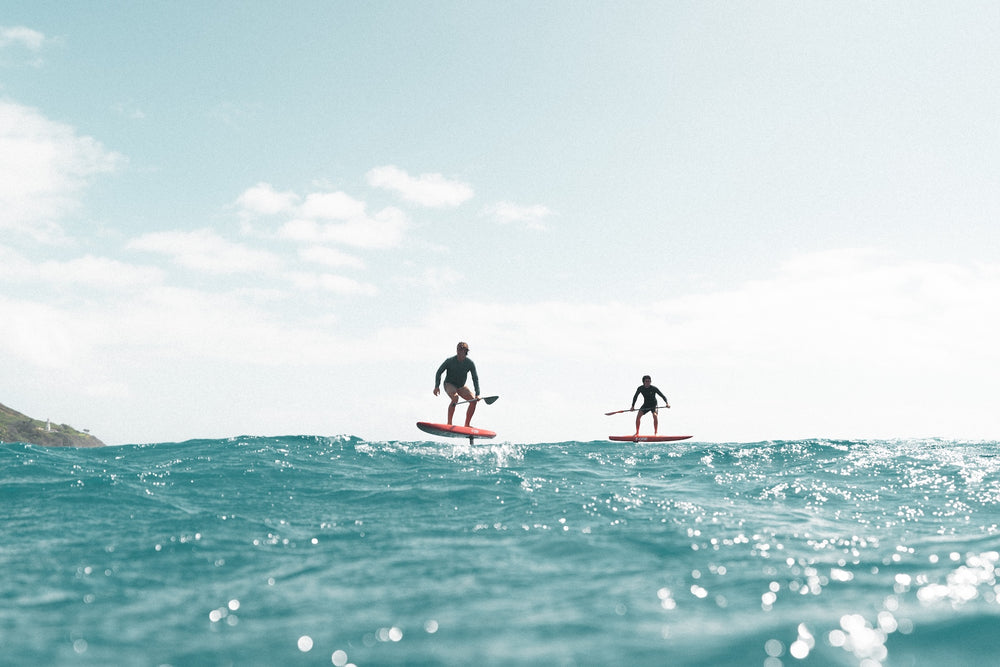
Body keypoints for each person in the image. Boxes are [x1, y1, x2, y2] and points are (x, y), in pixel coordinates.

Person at [433, 341, 481, 427]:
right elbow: (439, 372)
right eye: (457, 349)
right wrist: (437, 386)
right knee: (455, 398)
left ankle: (467, 424)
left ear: (465, 352)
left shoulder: (470, 363)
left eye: (460, 350)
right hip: (449, 384)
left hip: (461, 386)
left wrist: (478, 394)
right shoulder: (449, 361)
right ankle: (449, 423)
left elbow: (475, 378)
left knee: (473, 401)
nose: (458, 352)